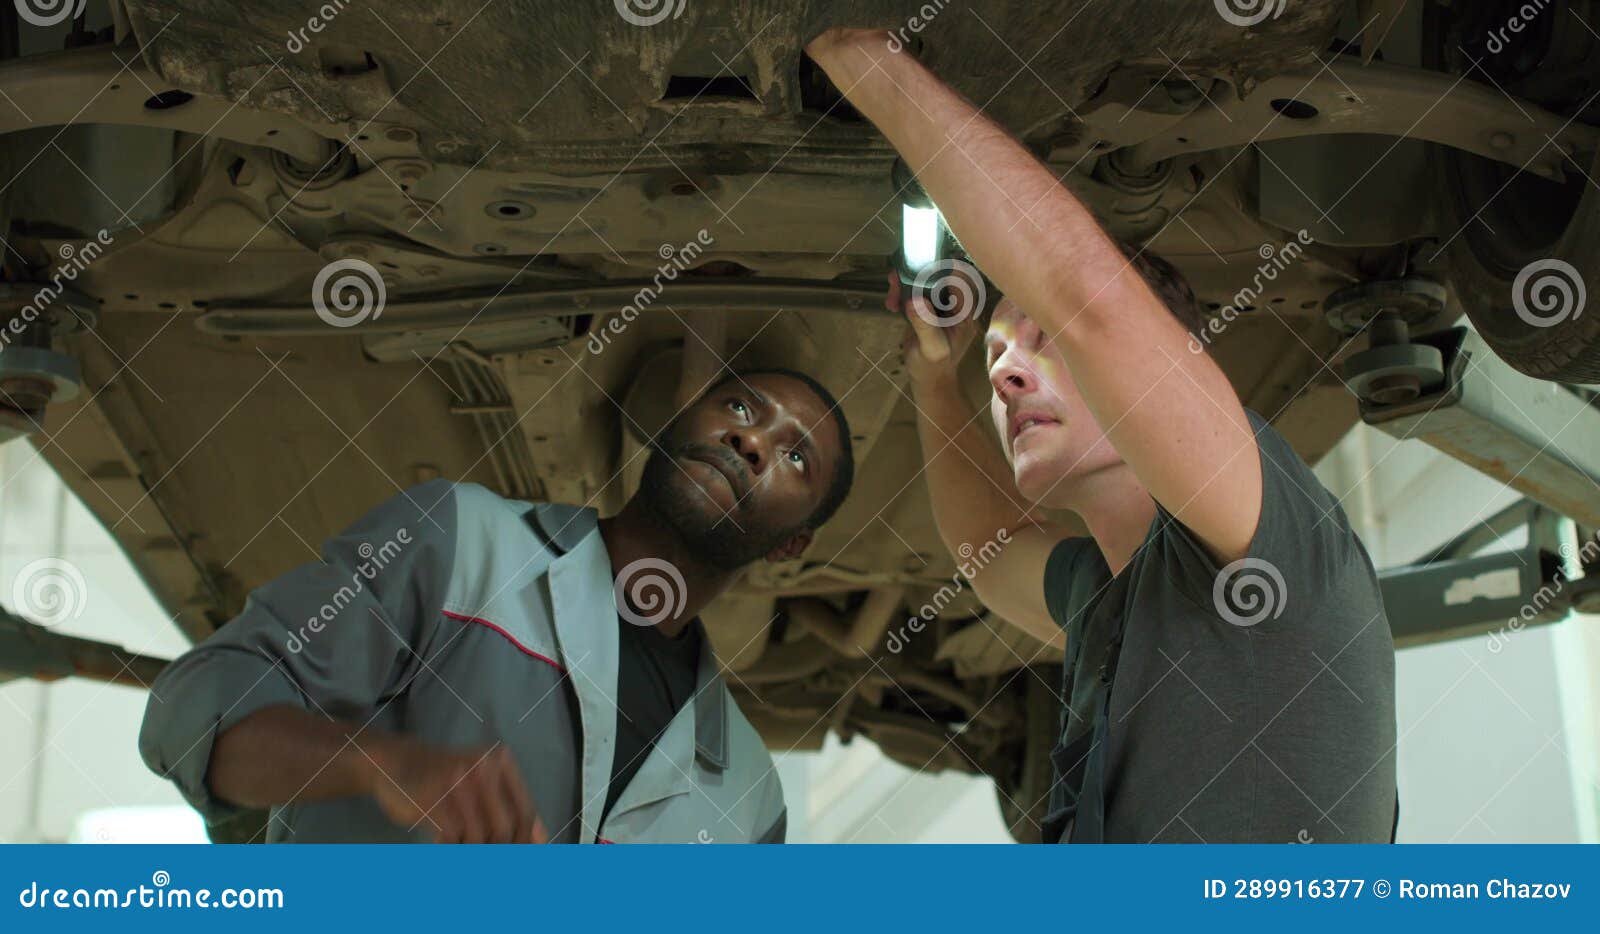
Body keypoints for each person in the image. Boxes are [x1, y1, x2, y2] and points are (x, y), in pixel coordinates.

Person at [806, 29, 1396, 843]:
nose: (1007, 375)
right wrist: (937, 381)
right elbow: (987, 544)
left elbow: (1094, 301)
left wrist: (864, 59)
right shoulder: (1108, 598)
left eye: (1042, 340)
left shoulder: (1273, 544)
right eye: (998, 355)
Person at [140, 368, 854, 844]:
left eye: (796, 458)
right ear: (673, 423)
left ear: (791, 546)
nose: (752, 441)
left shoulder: (752, 801)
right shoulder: (462, 542)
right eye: (739, 407)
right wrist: (384, 766)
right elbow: (194, 711)